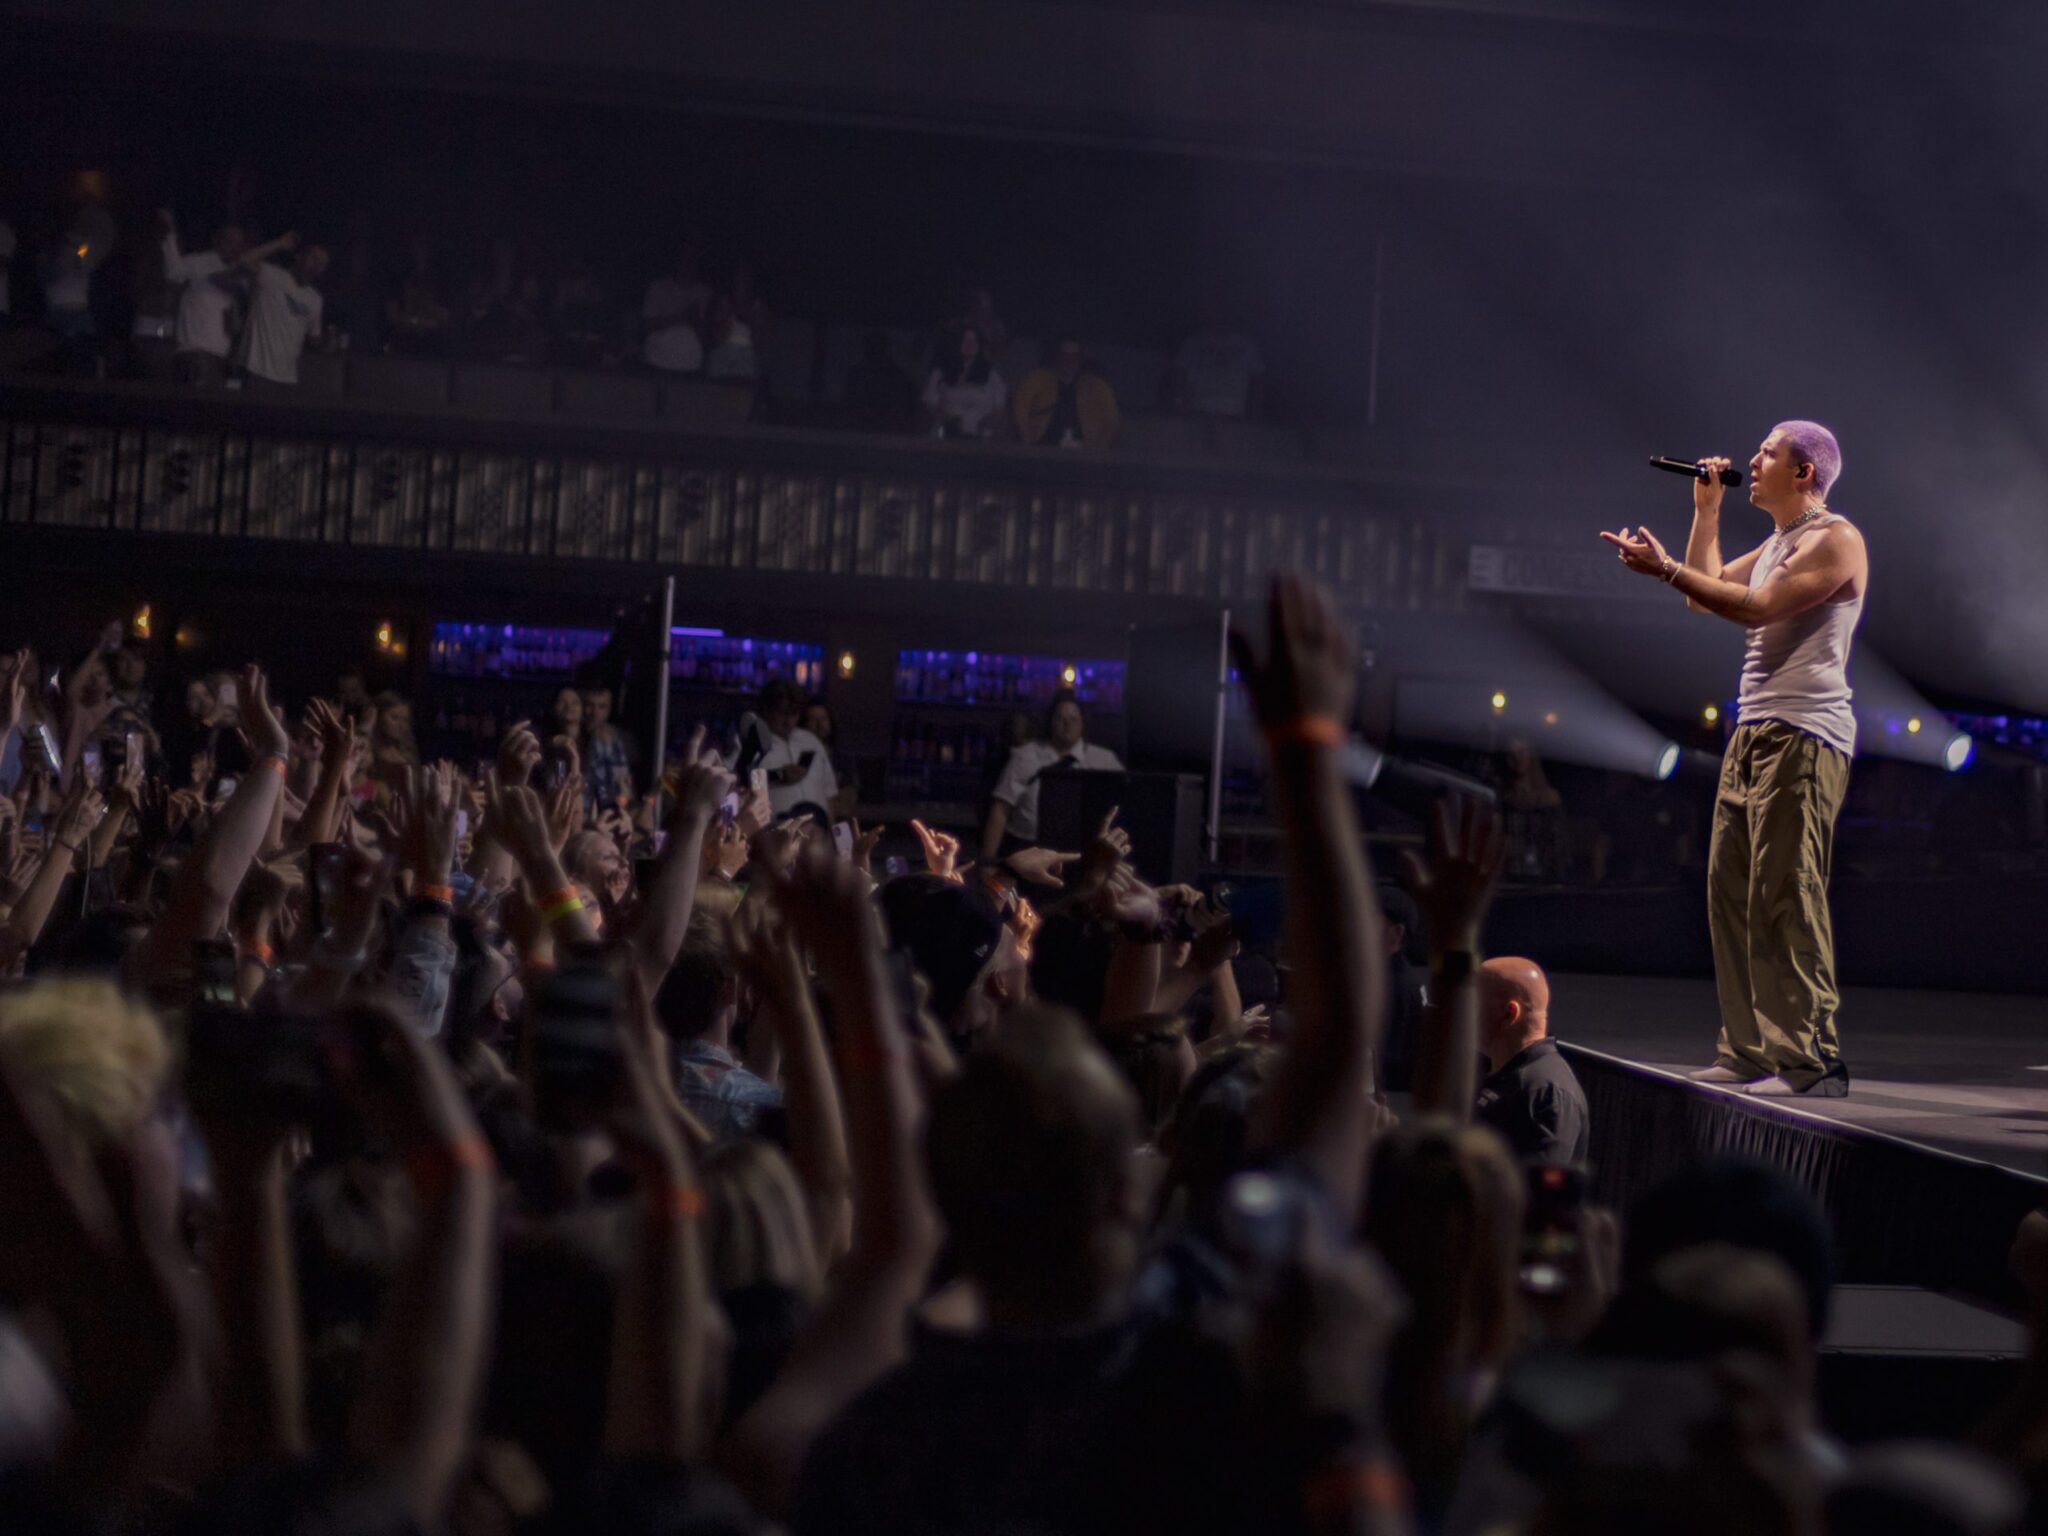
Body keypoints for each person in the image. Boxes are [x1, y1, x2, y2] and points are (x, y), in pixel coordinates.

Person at [1602, 422, 1867, 1097]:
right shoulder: (1780, 541)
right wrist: (1707, 512)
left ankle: (1811, 1061)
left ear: (1804, 472)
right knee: (1730, 892)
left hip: (1804, 732)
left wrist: (1664, 567)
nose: (1751, 459)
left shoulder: (1835, 538)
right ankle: (1749, 1050)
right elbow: (1703, 591)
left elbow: (1756, 608)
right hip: (1754, 731)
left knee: (1786, 894)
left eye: (1767, 452)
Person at [1471, 956, 1588, 1167]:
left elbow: (1540, 1192)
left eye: (1473, 1004)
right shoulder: (1498, 1074)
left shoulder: (1547, 1093)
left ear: (1509, 1014)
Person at [980, 689, 1121, 862]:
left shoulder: (1103, 760)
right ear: (1051, 722)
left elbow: (1122, 806)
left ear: (1083, 723)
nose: (1066, 724)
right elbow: (1000, 809)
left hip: (1084, 854)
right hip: (1026, 850)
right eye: (1060, 718)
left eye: (1073, 719)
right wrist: (987, 861)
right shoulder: (1026, 756)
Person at [158, 211, 295, 387]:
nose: (234, 248)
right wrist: (170, 233)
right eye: (229, 242)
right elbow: (173, 272)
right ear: (216, 240)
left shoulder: (241, 279)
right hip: (195, 354)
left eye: (239, 243)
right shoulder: (200, 263)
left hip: (221, 357)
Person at [242, 242, 329, 392]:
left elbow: (314, 337)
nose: (316, 265)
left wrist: (327, 343)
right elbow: (243, 260)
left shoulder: (315, 299)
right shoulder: (271, 275)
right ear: (299, 257)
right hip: (258, 371)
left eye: (321, 263)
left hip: (288, 378)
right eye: (313, 258)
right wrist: (279, 244)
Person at [748, 679, 838, 821]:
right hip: (774, 836)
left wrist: (833, 836)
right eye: (783, 713)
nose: (789, 721)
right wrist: (778, 776)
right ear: (766, 709)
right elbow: (737, 783)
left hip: (819, 834)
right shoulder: (751, 742)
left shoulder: (811, 741)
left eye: (794, 713)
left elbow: (829, 794)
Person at [1012, 337, 1121, 449]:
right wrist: (1026, 439)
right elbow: (1020, 407)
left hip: (1084, 455)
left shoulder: (1096, 386)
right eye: (1064, 355)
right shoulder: (1038, 379)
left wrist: (1099, 450)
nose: (1069, 361)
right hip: (1043, 450)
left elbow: (1112, 420)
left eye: (1074, 356)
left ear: (1080, 359)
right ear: (1057, 357)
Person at [920, 323, 1006, 441]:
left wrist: (987, 424)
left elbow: (999, 410)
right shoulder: (941, 372)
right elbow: (929, 404)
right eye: (965, 340)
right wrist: (946, 421)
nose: (969, 345)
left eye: (973, 341)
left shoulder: (991, 375)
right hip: (947, 439)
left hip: (982, 441)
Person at [642, 242, 711, 373]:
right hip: (656, 361)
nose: (688, 262)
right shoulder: (659, 288)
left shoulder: (705, 294)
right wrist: (680, 316)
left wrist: (695, 320)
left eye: (693, 257)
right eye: (685, 257)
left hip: (691, 364)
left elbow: (709, 337)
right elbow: (647, 326)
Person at [1169, 324, 1265, 418]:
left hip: (1234, 415)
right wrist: (1179, 405)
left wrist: (1254, 413)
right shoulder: (1194, 342)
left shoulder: (1245, 344)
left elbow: (1258, 379)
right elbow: (1179, 373)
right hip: (1196, 412)